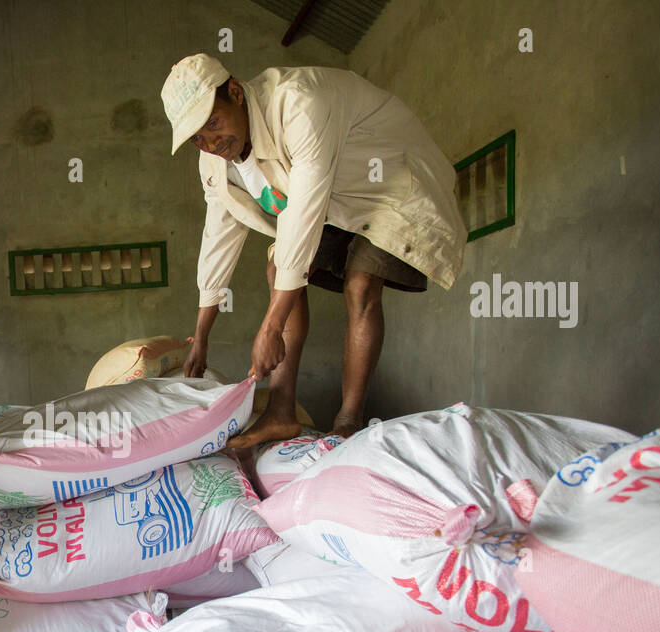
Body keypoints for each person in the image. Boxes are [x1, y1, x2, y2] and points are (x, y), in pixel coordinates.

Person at [161, 54, 467, 443]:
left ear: (235, 93)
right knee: (279, 271)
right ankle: (281, 411)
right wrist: (201, 335)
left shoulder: (299, 104)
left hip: (390, 185)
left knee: (360, 284)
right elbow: (219, 236)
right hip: (333, 201)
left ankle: (348, 421)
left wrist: (271, 327)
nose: (211, 142)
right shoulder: (214, 160)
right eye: (197, 139)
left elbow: (303, 212)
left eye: (214, 124)